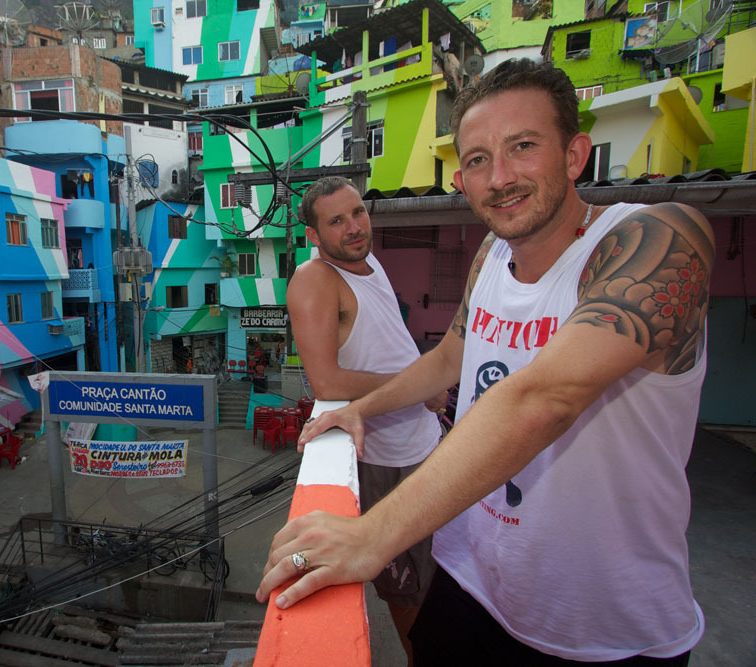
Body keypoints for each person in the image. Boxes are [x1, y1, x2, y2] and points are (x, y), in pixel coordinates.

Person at [257, 58, 713, 665]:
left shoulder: (658, 238)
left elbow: (544, 397)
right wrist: (357, 408)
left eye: (522, 147)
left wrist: (370, 535)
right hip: (472, 581)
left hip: (600, 625)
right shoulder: (494, 254)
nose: (499, 177)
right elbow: (450, 355)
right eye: (476, 159)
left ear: (575, 155)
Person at [288, 176, 445, 664]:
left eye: (358, 212)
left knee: (449, 581)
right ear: (314, 235)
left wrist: (423, 384)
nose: (354, 227)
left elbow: (386, 345)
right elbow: (327, 383)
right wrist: (420, 383)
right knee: (411, 595)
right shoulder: (315, 280)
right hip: (387, 464)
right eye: (336, 221)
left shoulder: (368, 260)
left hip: (427, 444)